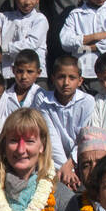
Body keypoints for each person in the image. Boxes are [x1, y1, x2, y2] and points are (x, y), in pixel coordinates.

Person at [36, 53, 94, 190]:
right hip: (55, 163)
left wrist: (70, 166)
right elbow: (51, 136)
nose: (66, 83)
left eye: (72, 78)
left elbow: (84, 137)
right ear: (53, 78)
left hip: (80, 159)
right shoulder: (43, 101)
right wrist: (65, 170)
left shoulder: (87, 101)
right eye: (61, 77)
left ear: (80, 81)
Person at [0, 0, 49, 67]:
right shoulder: (3, 17)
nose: (28, 2)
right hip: (7, 70)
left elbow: (31, 44)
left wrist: (2, 48)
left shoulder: (40, 19)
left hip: (34, 72)